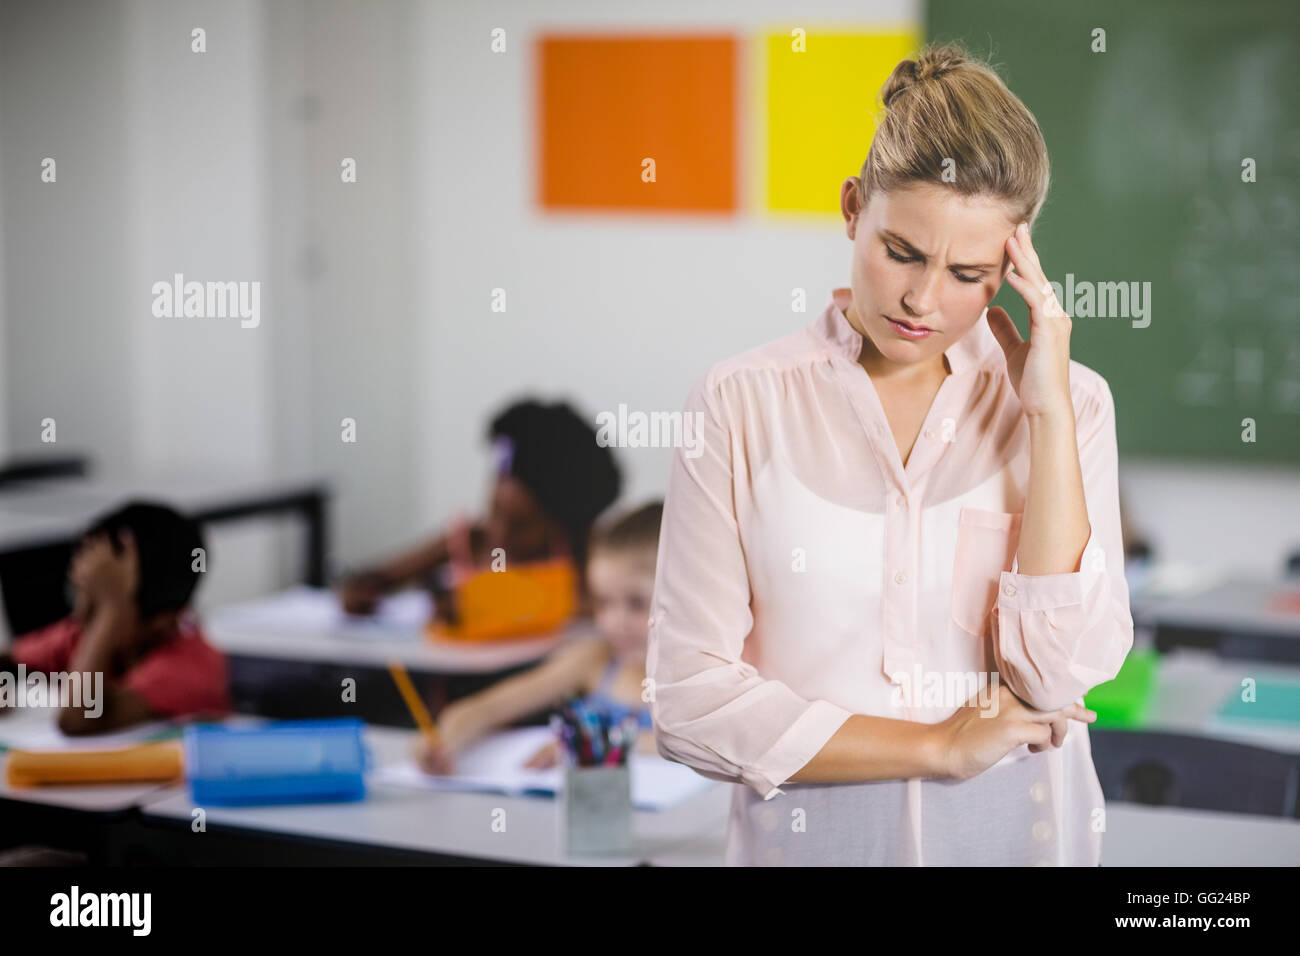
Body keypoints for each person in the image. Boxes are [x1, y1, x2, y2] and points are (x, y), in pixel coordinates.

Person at [647, 42, 1134, 866]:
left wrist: (1046, 419)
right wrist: (936, 745)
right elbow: (689, 703)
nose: (922, 300)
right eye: (901, 252)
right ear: (851, 208)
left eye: (969, 273)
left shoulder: (1073, 405)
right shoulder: (739, 403)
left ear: (1015, 265)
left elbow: (1057, 681)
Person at [414, 501, 661, 774]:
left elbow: (701, 746)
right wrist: (442, 741)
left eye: (637, 603)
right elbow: (487, 707)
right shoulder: (595, 660)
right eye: (603, 602)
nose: (615, 622)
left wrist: (593, 744)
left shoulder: (704, 677)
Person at [338, 398, 622, 621]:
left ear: (562, 523)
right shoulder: (468, 540)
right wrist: (362, 590)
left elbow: (611, 606)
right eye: (494, 513)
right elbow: (377, 579)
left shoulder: (582, 553)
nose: (499, 534)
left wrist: (486, 605)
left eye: (520, 526)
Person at [0, 501, 230, 734]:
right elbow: (8, 661)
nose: (80, 616)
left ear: (163, 620)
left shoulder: (190, 666)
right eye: (81, 593)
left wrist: (110, 608)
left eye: (101, 603)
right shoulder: (81, 630)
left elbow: (79, 719)